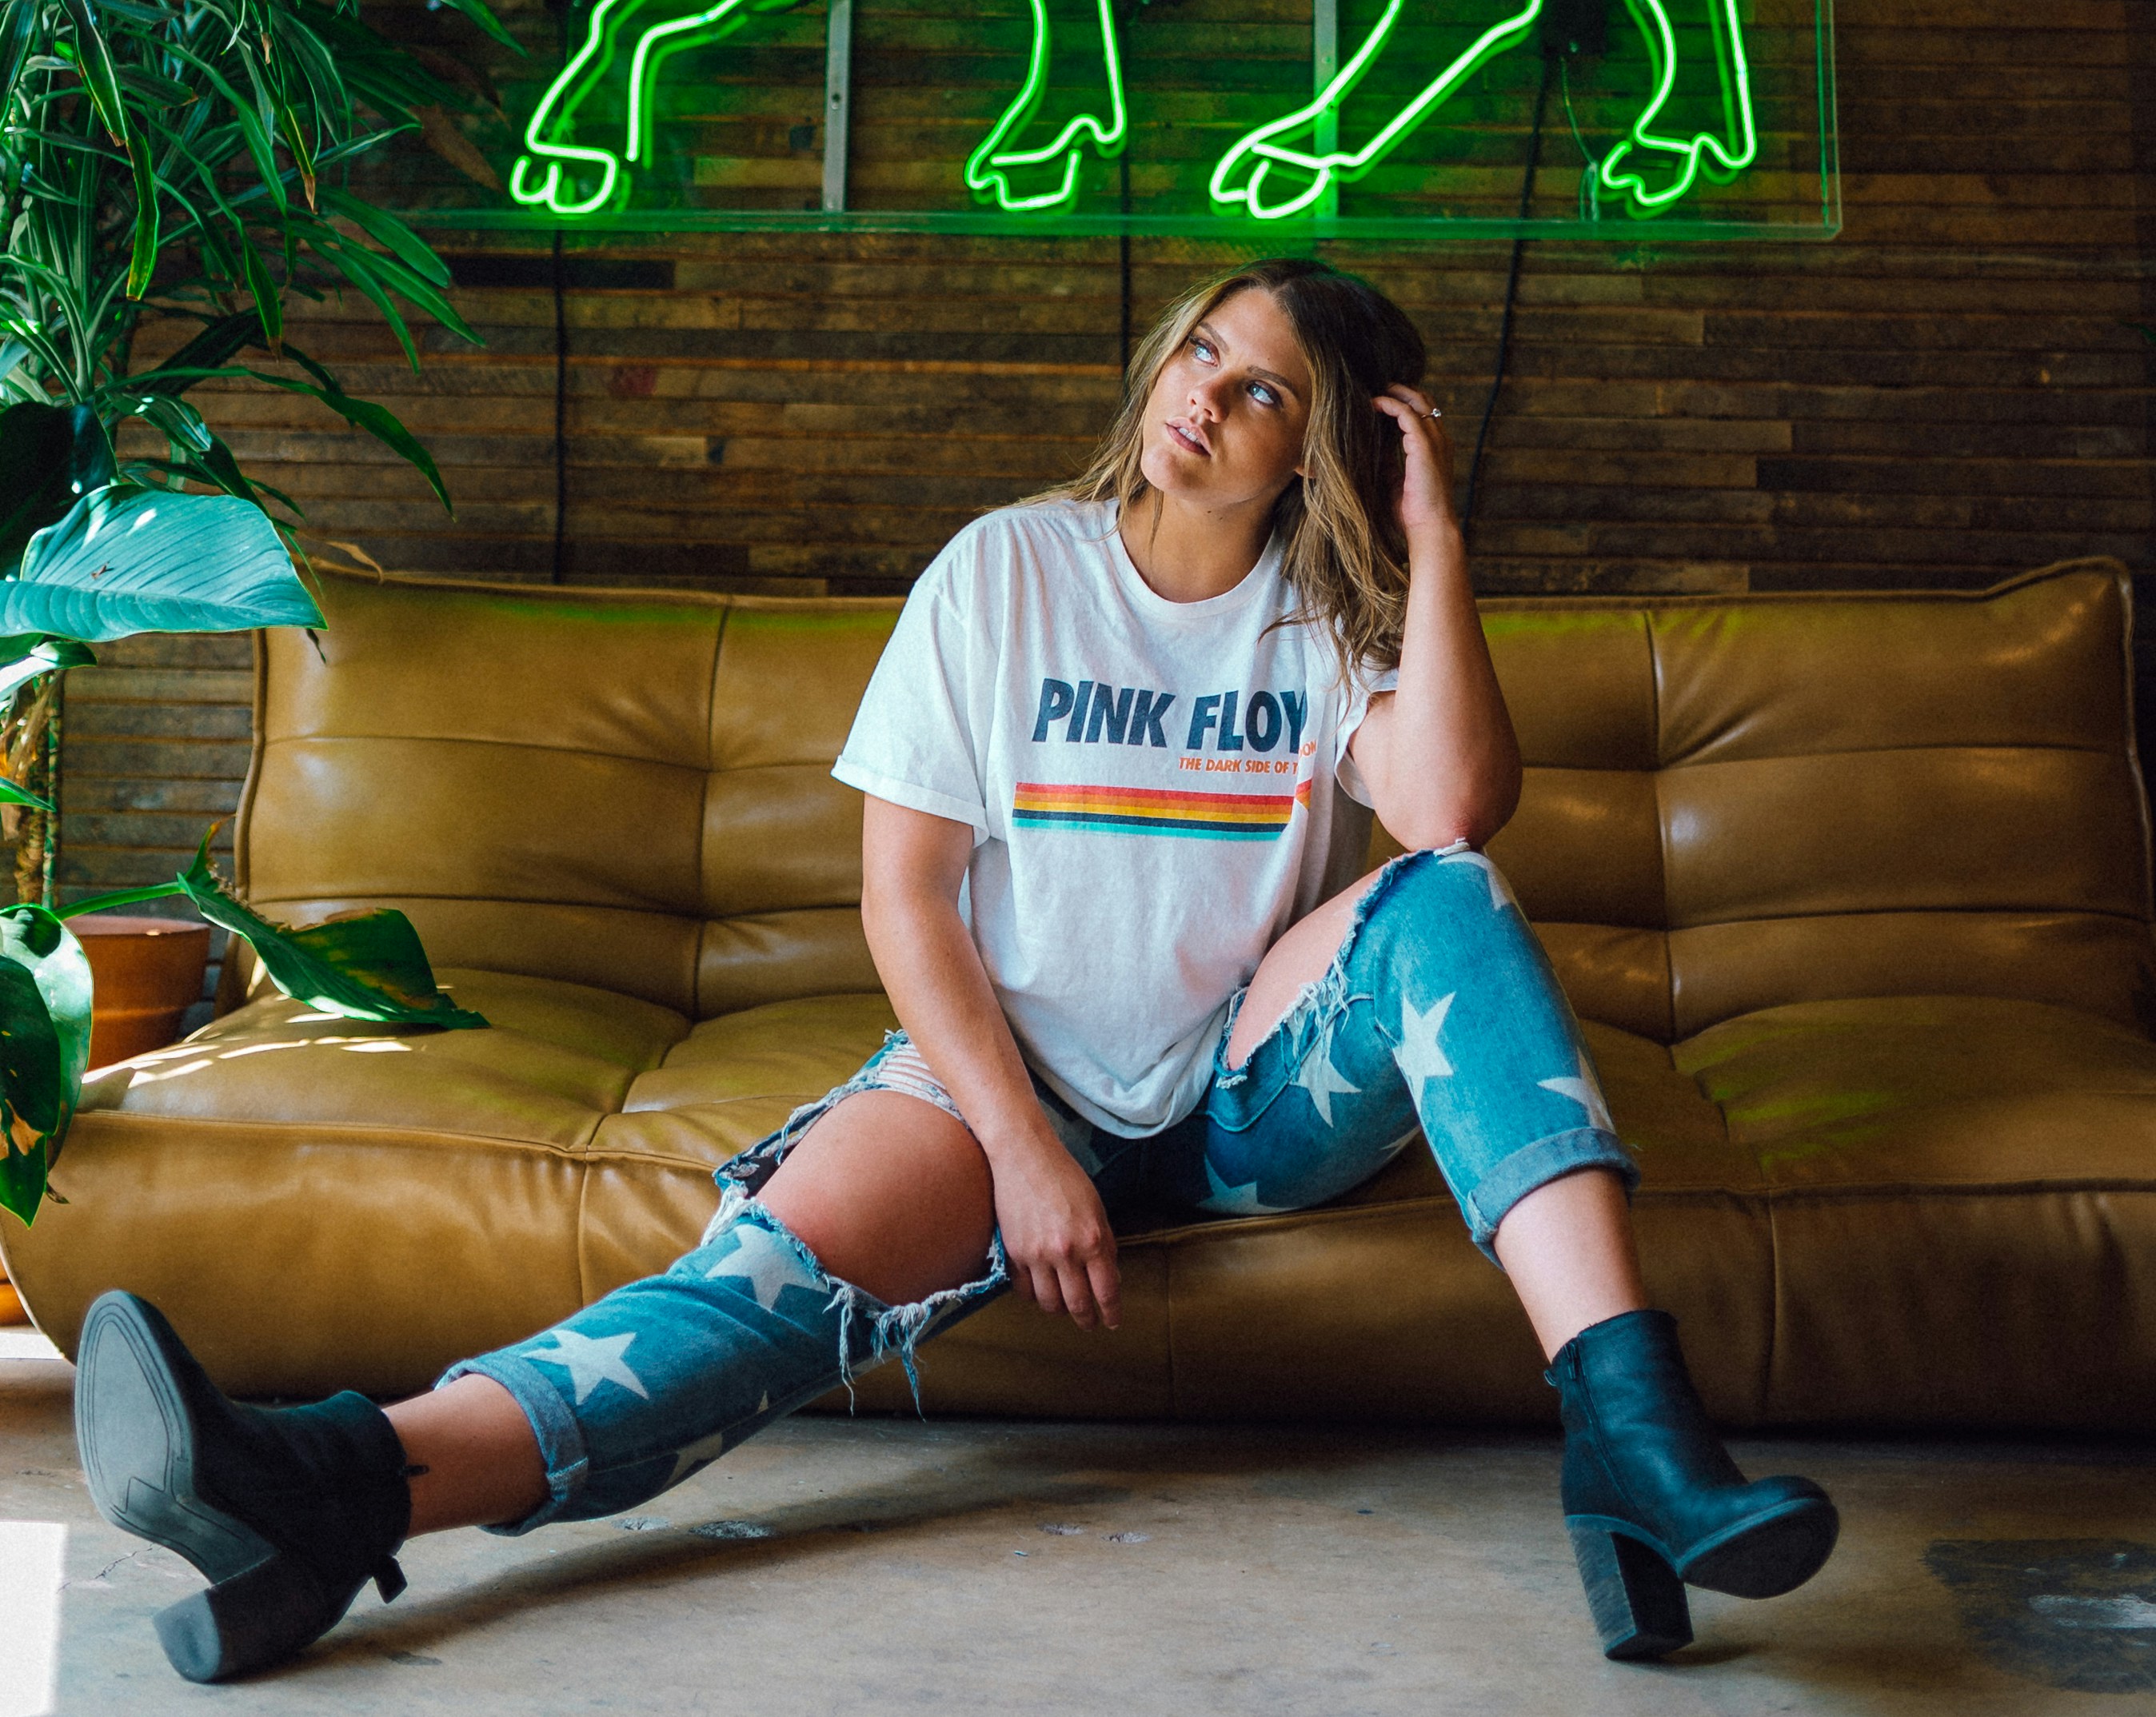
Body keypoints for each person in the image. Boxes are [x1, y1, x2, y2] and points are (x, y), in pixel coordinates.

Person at [74, 258, 1836, 1684]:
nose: (1199, 399)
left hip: (1244, 1086)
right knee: (742, 1298)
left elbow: (1446, 804)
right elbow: (905, 896)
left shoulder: (1320, 621)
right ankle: (339, 1477)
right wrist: (1021, 1143)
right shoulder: (1007, 572)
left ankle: (1631, 1432)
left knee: (1449, 895)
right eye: (1199, 353)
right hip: (1006, 1072)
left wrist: (1433, 536)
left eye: (1260, 390)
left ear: (1319, 451)